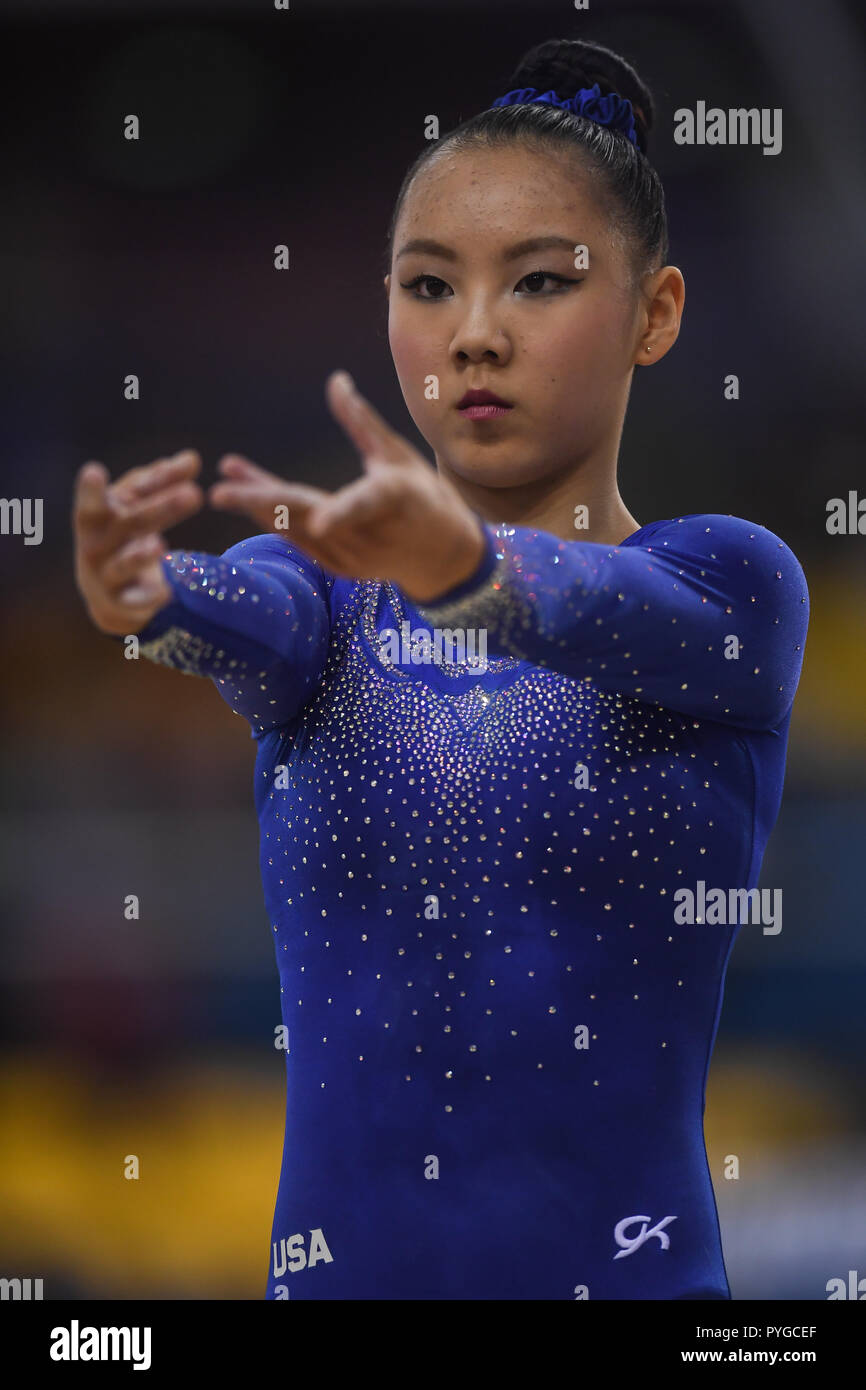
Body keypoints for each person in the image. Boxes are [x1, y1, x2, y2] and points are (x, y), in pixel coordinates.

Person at [72, 37, 809, 1299]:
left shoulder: (728, 581)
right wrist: (147, 595)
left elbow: (595, 605)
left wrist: (465, 565)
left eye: (539, 283)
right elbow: (244, 616)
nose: (472, 335)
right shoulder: (320, 596)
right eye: (427, 285)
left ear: (654, 313)